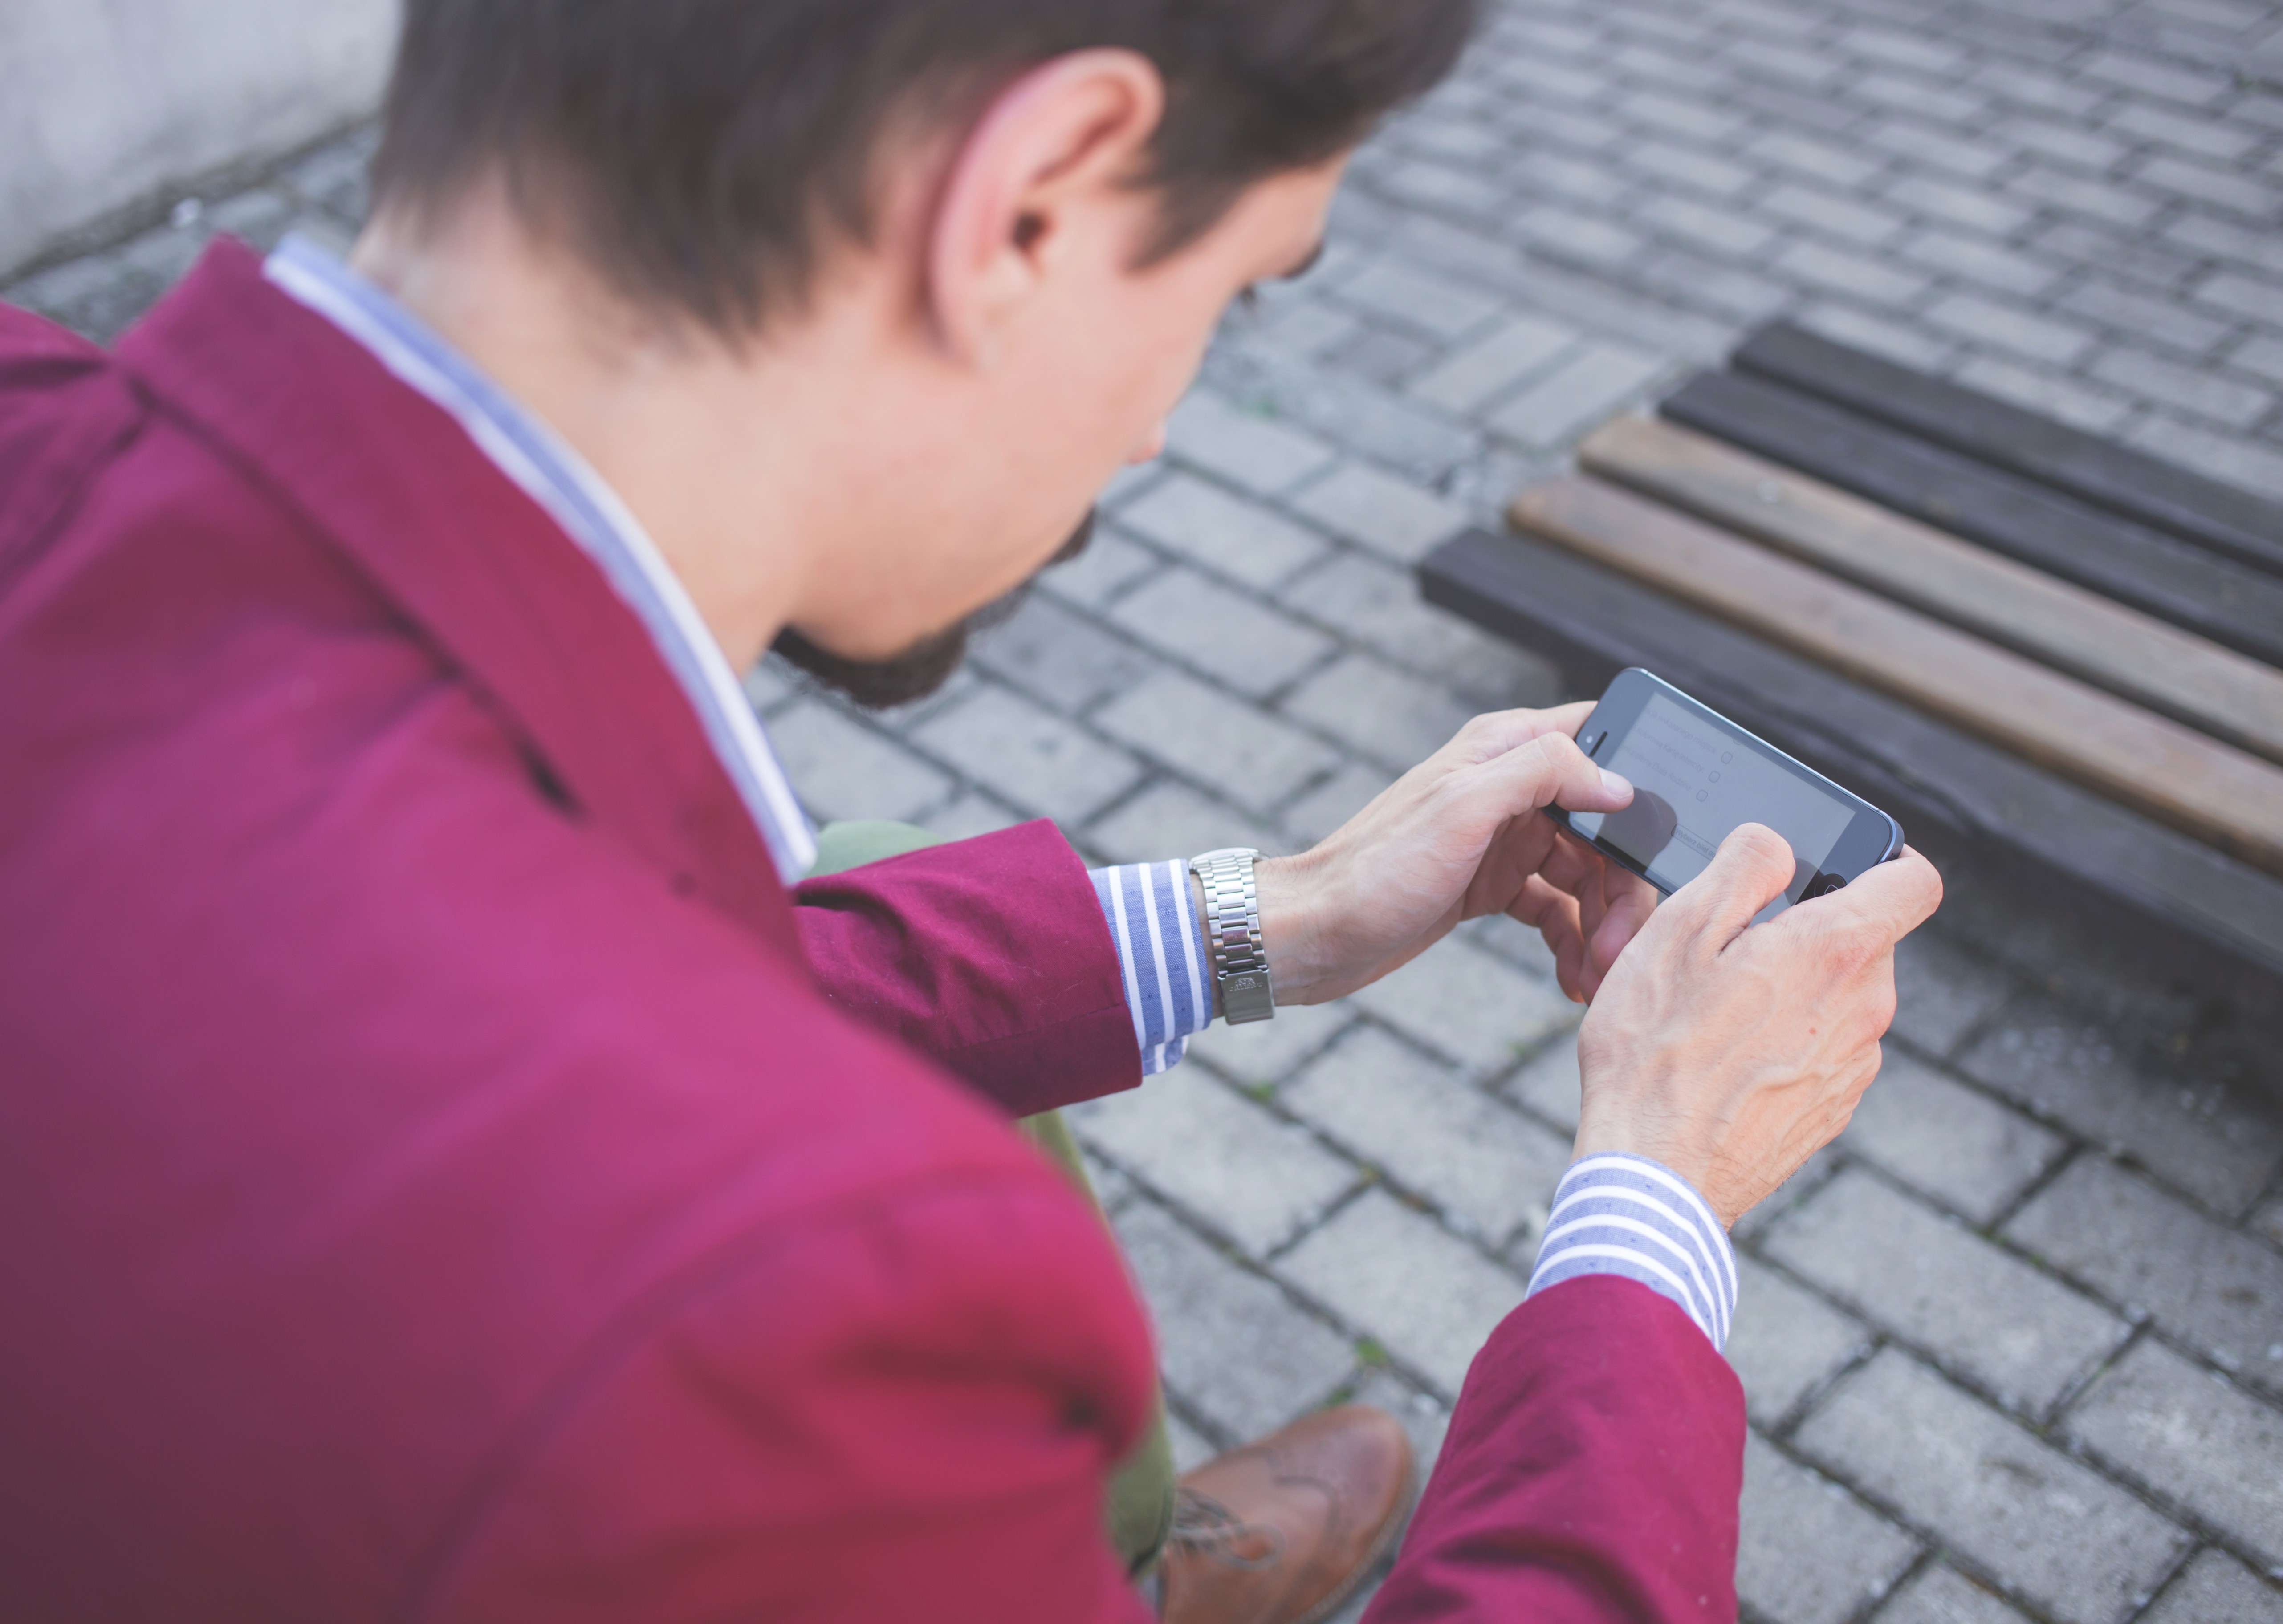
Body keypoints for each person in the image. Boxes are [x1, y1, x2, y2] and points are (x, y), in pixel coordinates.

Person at [0, 0, 1943, 1618]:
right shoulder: (783, 1312)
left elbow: (611, 987)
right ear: (1027, 206)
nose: (1161, 424)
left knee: (841, 878)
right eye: (1232, 297)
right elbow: (655, 1120)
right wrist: (1651, 1205)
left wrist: (1285, 910)